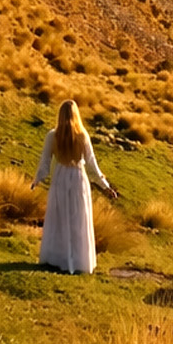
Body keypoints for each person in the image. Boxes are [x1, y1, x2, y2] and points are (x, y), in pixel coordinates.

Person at [31, 99, 119, 274]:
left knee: (59, 218)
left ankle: (57, 257)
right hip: (78, 178)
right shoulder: (82, 136)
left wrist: (36, 180)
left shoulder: (52, 136)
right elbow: (93, 165)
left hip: (60, 178)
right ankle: (79, 260)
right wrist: (105, 185)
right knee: (78, 219)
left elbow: (45, 163)